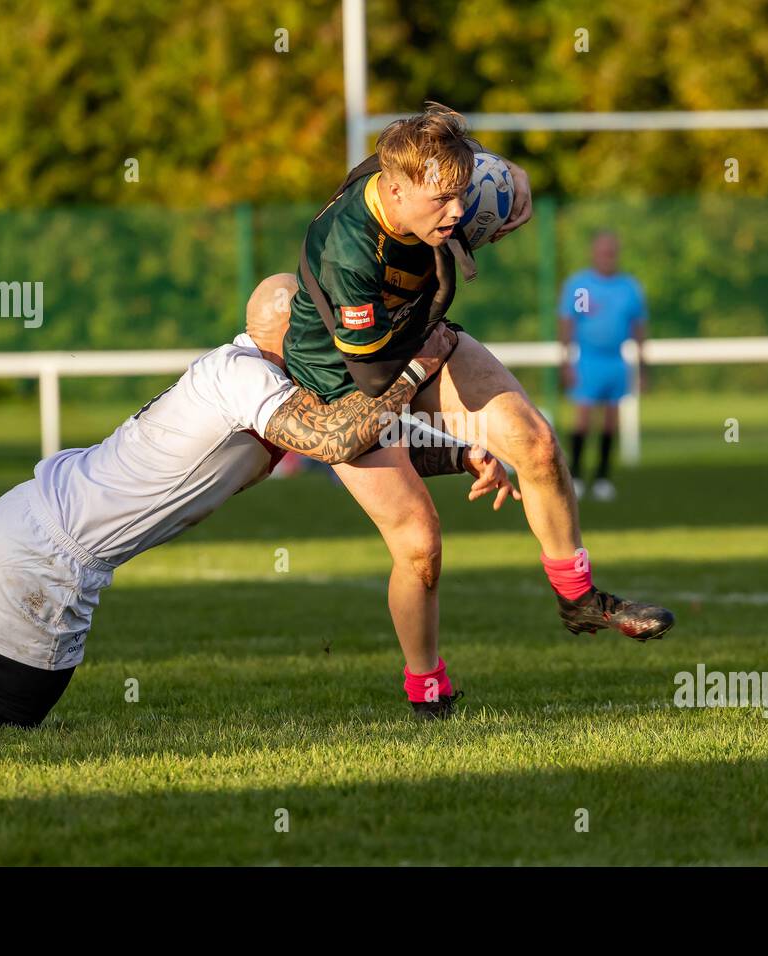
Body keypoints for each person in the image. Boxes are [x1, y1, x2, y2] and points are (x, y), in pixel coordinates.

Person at [0, 277, 516, 733]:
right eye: (321, 325)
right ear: (289, 335)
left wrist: (460, 453)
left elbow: (354, 443)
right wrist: (421, 363)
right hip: (57, 553)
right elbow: (331, 440)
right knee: (0, 712)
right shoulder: (249, 384)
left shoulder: (249, 373)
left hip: (30, 515)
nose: (336, 336)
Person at [285, 103, 675, 717]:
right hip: (345, 385)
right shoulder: (346, 253)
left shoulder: (427, 176)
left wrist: (512, 178)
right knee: (420, 545)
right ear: (393, 189)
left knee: (537, 444)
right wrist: (461, 445)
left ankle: (578, 597)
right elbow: (377, 377)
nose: (458, 213)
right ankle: (427, 687)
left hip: (416, 338)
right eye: (443, 202)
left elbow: (492, 176)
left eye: (463, 196)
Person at [558, 230, 649, 501]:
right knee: (583, 417)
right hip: (587, 359)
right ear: (594, 253)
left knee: (611, 419)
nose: (607, 256)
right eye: (602, 251)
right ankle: (574, 475)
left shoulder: (629, 287)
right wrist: (566, 361)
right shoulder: (580, 285)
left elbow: (640, 328)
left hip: (616, 361)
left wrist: (643, 368)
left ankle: (602, 477)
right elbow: (567, 323)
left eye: (611, 251)